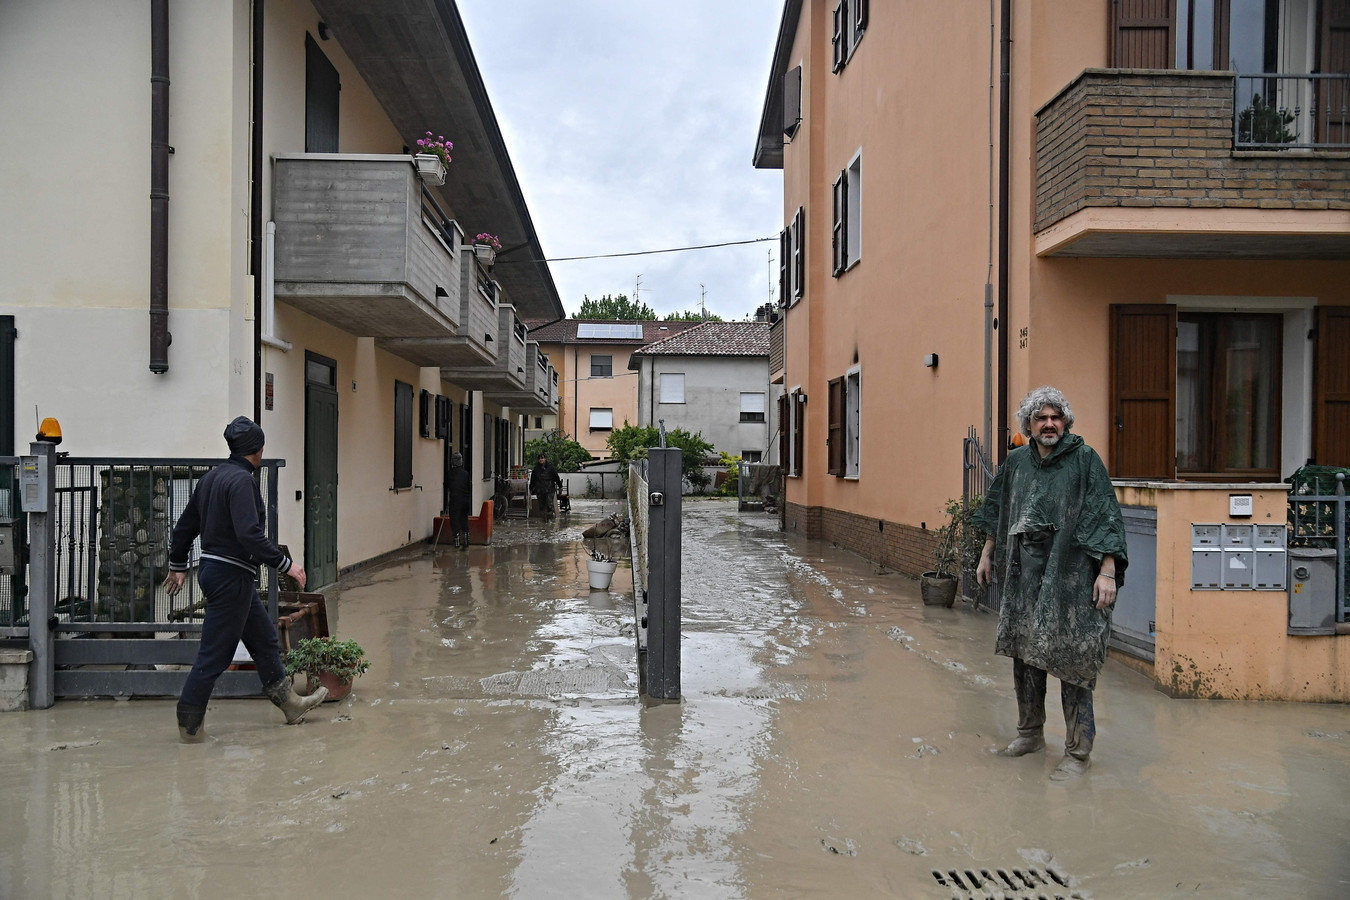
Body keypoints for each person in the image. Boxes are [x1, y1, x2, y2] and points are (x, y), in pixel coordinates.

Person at [973, 386, 1127, 780]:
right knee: (1025, 655)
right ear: (1028, 424)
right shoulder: (1017, 463)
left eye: (1056, 417)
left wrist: (1107, 571)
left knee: (1073, 659)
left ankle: (1077, 754)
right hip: (1024, 578)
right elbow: (999, 508)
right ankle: (1030, 735)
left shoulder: (1084, 461)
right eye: (1041, 418)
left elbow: (1106, 514)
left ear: (1066, 422)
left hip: (1072, 578)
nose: (1049, 424)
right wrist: (987, 551)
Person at [162, 417, 328, 743]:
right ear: (259, 450)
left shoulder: (212, 478)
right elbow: (249, 535)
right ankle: (189, 723)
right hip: (230, 575)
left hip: (222, 572)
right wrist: (286, 565)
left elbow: (185, 526)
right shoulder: (241, 482)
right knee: (215, 653)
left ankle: (291, 705)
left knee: (264, 639)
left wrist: (178, 564)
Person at [446, 452, 472, 548]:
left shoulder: (450, 474)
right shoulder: (465, 474)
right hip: (465, 500)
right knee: (464, 519)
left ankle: (456, 539)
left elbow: (447, 486)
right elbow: (469, 487)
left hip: (455, 500)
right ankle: (466, 538)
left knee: (454, 520)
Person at [529, 454, 561, 519]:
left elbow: (556, 477)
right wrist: (531, 488)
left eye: (542, 458)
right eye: (539, 458)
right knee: (541, 505)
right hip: (539, 490)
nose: (541, 460)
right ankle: (543, 520)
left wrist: (560, 486)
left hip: (549, 489)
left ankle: (550, 520)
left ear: (545, 459)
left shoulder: (551, 468)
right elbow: (533, 479)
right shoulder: (536, 469)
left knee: (549, 505)